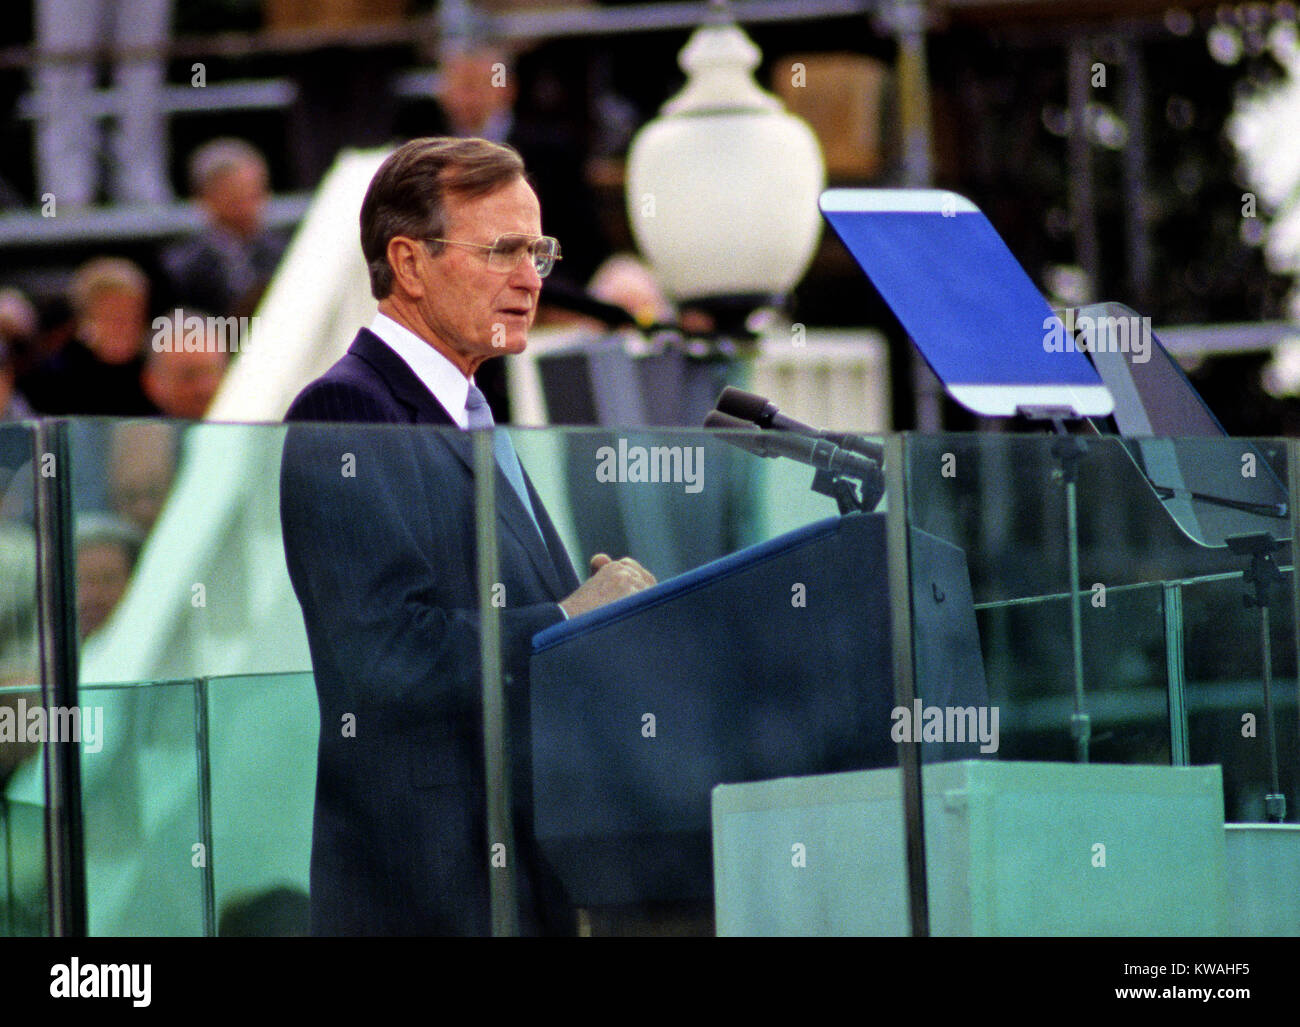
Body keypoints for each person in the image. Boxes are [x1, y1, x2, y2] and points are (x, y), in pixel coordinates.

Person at [278, 136, 656, 936]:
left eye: (538, 251)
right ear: (409, 264)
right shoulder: (347, 410)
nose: (530, 278)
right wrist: (566, 618)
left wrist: (609, 623)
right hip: (425, 892)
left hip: (520, 879)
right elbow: (382, 654)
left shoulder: (476, 411)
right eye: (502, 250)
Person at [161, 139, 289, 318]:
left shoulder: (288, 253)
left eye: (254, 193)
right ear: (205, 197)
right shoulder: (179, 266)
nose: (247, 205)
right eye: (235, 195)